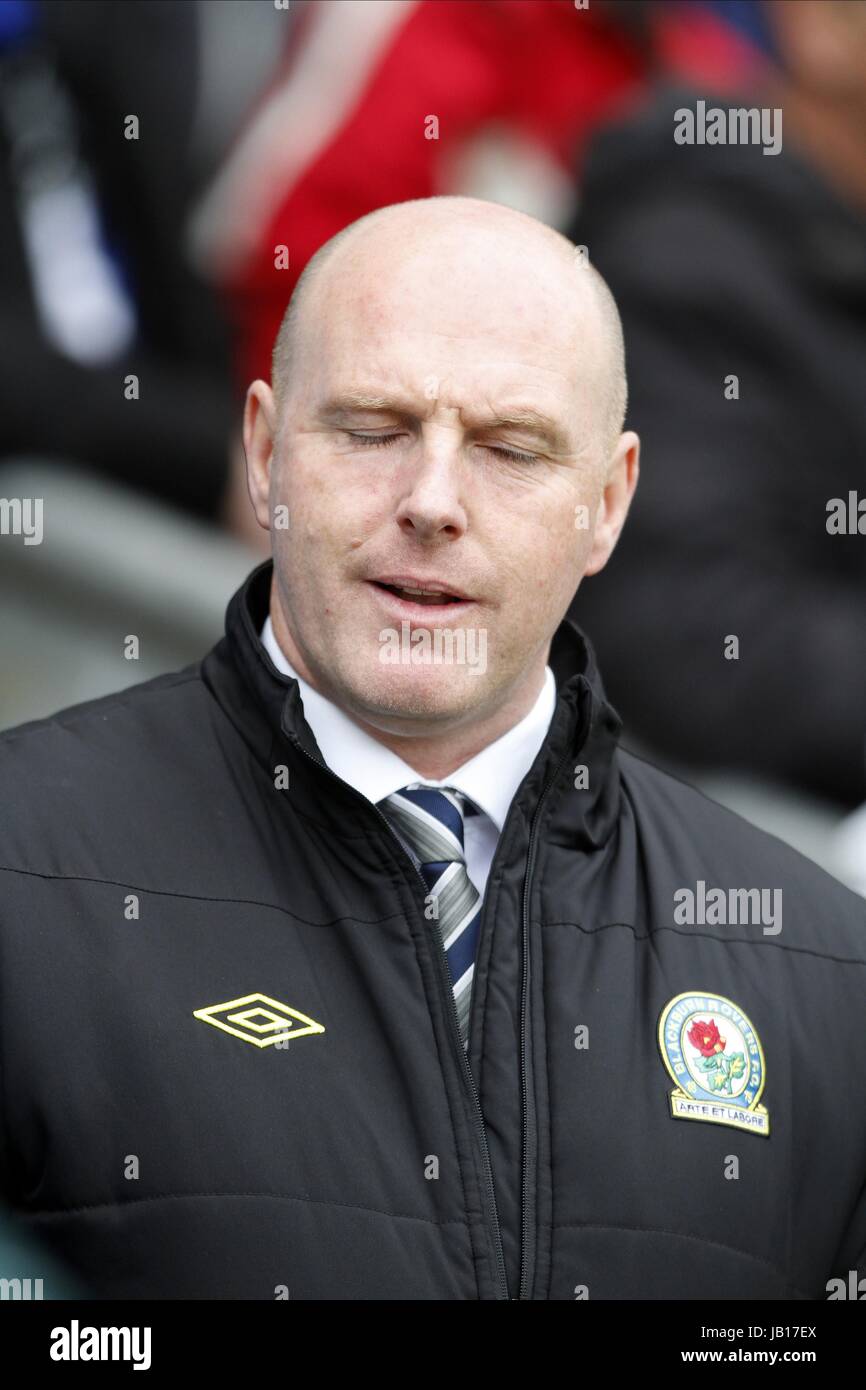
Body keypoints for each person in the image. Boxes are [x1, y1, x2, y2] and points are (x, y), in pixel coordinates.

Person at [1, 196, 864, 1301]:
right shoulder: (23, 876)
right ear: (264, 452)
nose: (432, 502)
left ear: (605, 504)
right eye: (370, 430)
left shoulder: (824, 975)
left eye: (510, 450)